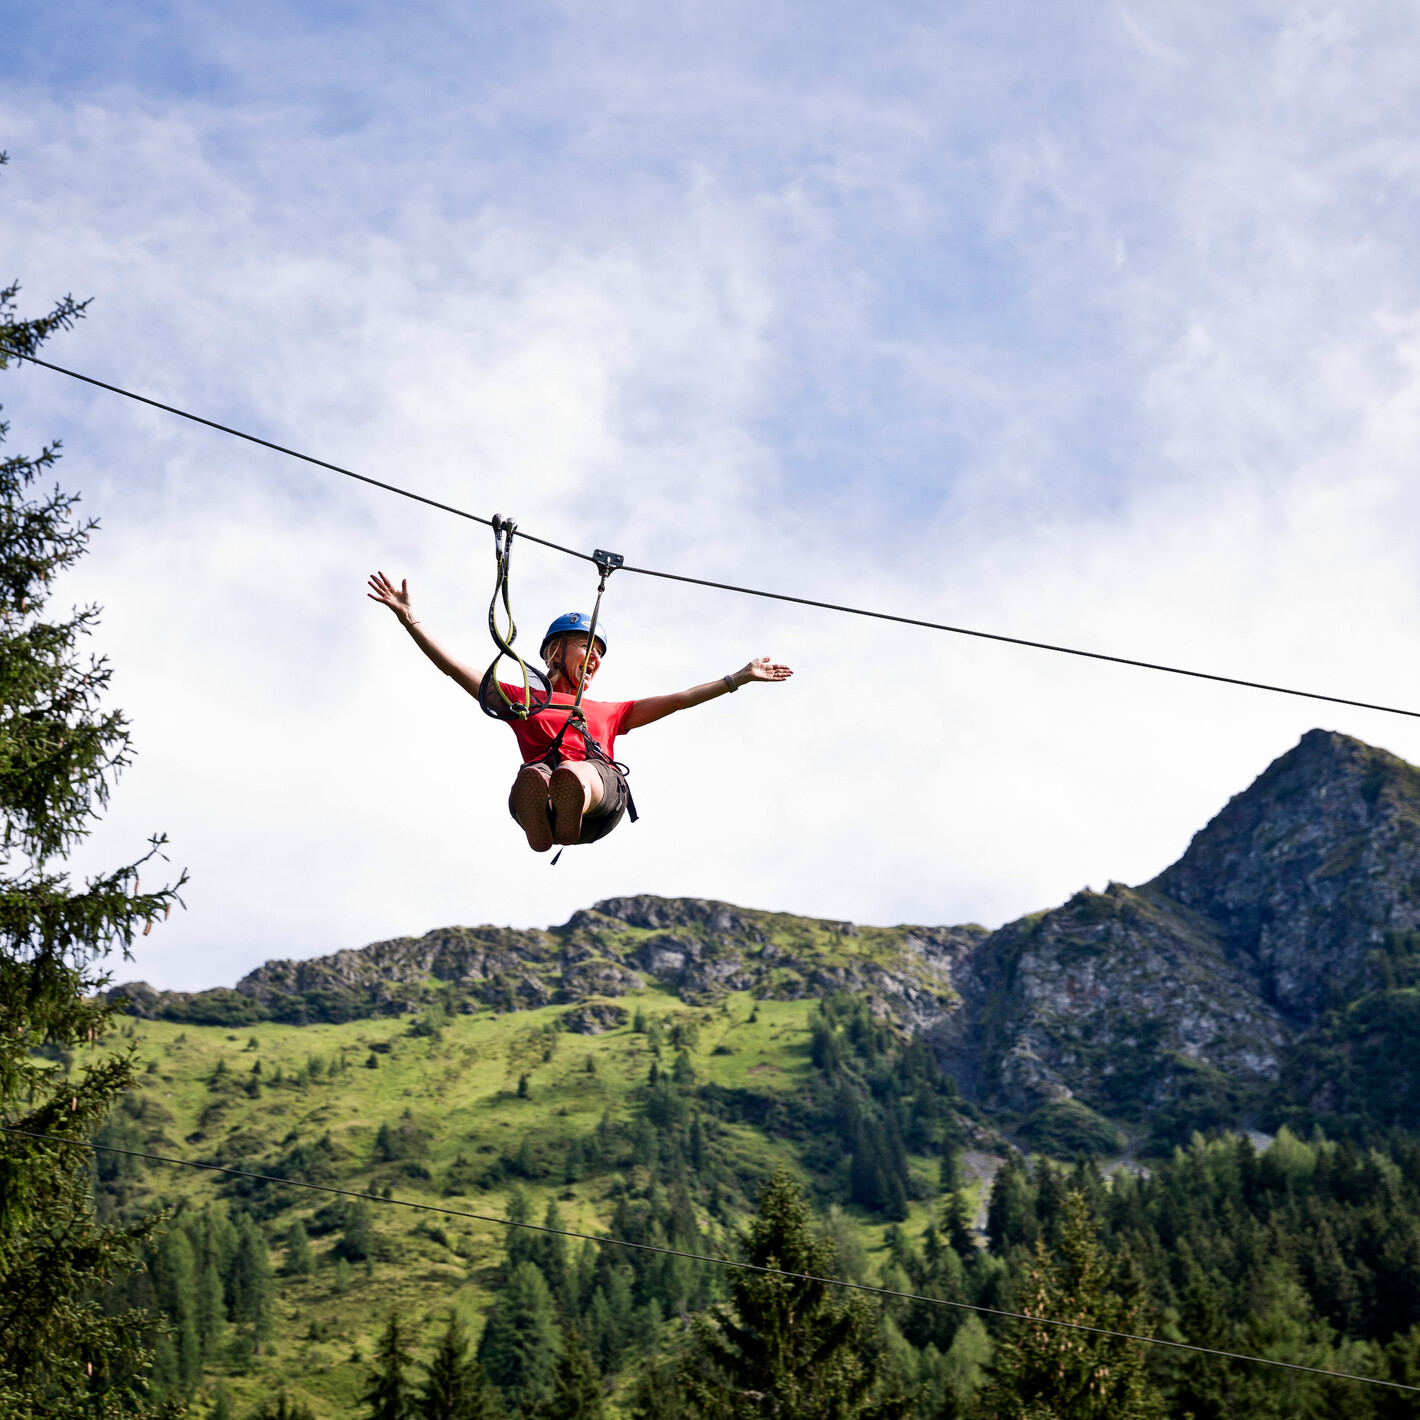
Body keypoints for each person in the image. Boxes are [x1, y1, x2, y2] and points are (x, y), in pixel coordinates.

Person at [367, 571, 793, 852]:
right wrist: (410, 620)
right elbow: (454, 669)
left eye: (600, 654)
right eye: (586, 647)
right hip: (549, 806)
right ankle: (543, 814)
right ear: (555, 651)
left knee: (575, 773)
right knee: (536, 776)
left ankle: (568, 798)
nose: (595, 659)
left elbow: (681, 698)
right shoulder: (523, 700)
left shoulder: (609, 711)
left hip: (600, 800)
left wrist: (739, 677)